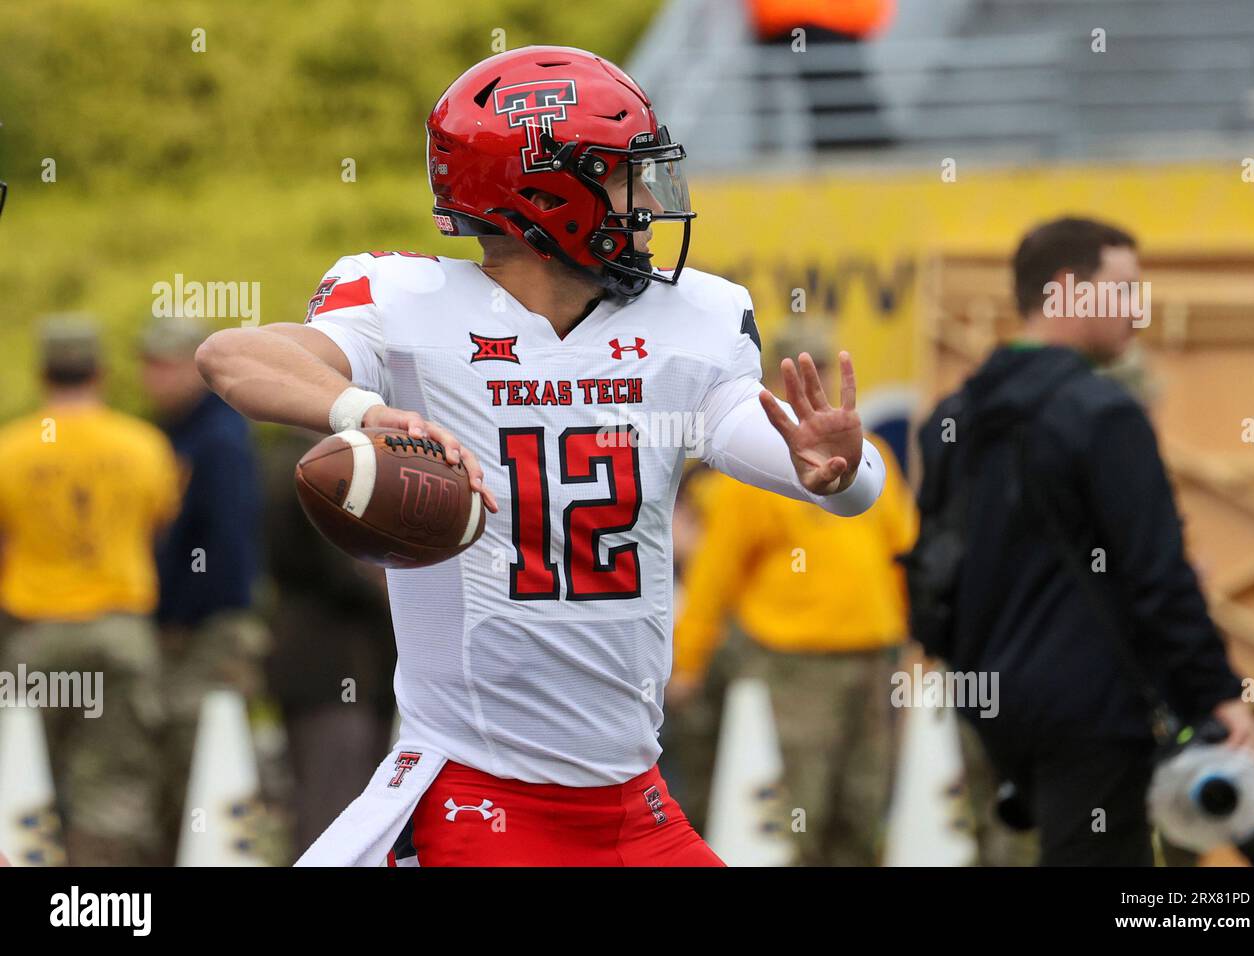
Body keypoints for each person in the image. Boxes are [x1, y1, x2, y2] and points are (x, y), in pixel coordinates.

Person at [197, 45, 886, 867]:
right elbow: (231, 357)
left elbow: (819, 470)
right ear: (546, 194)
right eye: (623, 176)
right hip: (478, 790)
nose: (647, 201)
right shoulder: (410, 307)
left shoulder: (692, 320)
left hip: (634, 799)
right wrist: (372, 412)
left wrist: (836, 471)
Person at [911, 217, 1254, 866]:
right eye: (1125, 289)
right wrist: (1216, 693)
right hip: (1098, 718)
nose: (1139, 310)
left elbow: (935, 573)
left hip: (990, 714)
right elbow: (1159, 577)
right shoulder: (1104, 414)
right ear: (1070, 291)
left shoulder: (951, 419)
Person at [669, 325, 917, 865]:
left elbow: (904, 555)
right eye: (800, 373)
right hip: (793, 665)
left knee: (865, 805)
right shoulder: (750, 475)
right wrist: (688, 661)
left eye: (821, 369)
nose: (815, 383)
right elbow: (715, 574)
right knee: (800, 810)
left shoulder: (872, 461)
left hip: (875, 658)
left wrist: (919, 641)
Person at [0, 317, 180, 866]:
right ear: (101, 372)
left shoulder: (11, 447)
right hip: (120, 633)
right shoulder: (144, 444)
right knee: (114, 788)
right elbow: (161, 527)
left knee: (26, 776)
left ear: (41, 373)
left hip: (35, 637)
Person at [138, 314, 266, 858]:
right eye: (150, 364)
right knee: (165, 754)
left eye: (169, 365)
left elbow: (223, 541)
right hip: (178, 622)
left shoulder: (220, 435)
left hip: (210, 625)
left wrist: (182, 618)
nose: (156, 377)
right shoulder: (166, 433)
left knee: (200, 746)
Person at [260, 427, 397, 858]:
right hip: (331, 668)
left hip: (349, 666)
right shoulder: (321, 467)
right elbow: (341, 572)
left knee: (352, 809)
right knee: (334, 813)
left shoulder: (310, 458)